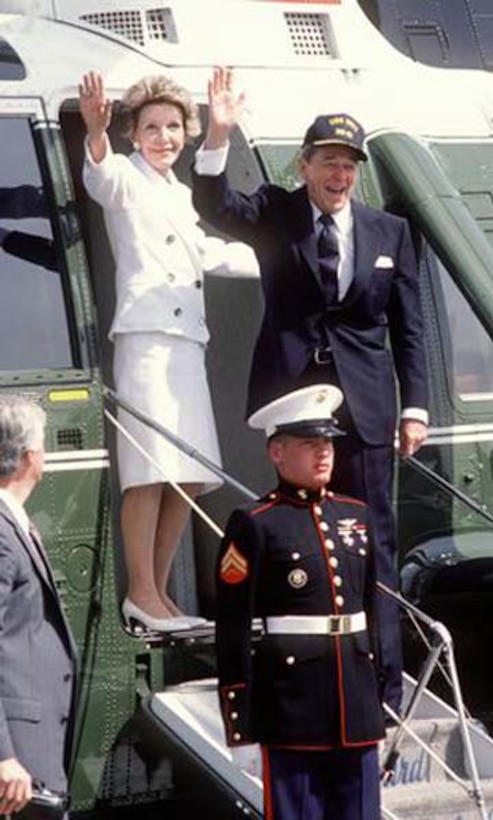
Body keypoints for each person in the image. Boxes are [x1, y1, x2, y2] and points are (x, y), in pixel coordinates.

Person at [192, 67, 429, 710]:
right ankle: (303, 673)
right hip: (295, 399)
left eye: (348, 165)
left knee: (373, 536)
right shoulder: (276, 212)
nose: (339, 175)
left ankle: (381, 679)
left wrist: (415, 407)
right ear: (306, 164)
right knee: (298, 534)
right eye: (328, 162)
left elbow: (410, 327)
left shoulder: (390, 233)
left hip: (369, 407)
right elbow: (213, 207)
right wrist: (216, 134)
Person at [79, 71, 258, 633]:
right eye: (152, 127)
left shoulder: (180, 194)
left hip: (187, 344)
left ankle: (160, 598)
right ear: (134, 134)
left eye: (174, 127)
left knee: (187, 473)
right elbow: (100, 178)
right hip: (148, 340)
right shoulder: (126, 179)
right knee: (149, 470)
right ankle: (142, 592)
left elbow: (207, 251)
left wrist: (281, 259)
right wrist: (94, 132)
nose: (164, 137)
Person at [216, 384, 386, 820]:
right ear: (277, 452)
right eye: (311, 444)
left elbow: (374, 614)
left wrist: (382, 702)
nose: (324, 453)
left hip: (356, 710)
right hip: (292, 712)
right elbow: (233, 631)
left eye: (327, 443)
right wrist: (240, 729)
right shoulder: (255, 524)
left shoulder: (357, 516)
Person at [0, 396, 77, 818]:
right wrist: (3, 757)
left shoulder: (13, 524)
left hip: (32, 753)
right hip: (15, 763)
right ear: (30, 456)